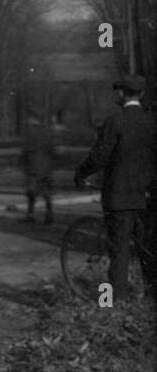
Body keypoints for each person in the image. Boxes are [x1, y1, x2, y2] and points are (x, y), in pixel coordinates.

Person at [73, 76, 157, 301]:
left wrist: (81, 174)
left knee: (119, 251)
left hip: (119, 198)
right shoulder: (152, 122)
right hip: (147, 197)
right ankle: (151, 298)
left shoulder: (115, 122)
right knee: (147, 249)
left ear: (121, 94)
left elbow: (99, 157)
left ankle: (114, 303)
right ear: (141, 94)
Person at [21, 112, 55, 224]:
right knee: (46, 192)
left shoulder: (30, 134)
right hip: (46, 167)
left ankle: (30, 214)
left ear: (32, 120)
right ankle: (49, 214)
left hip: (33, 167)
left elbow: (26, 151)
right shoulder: (47, 132)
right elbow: (52, 149)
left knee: (31, 192)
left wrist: (24, 165)